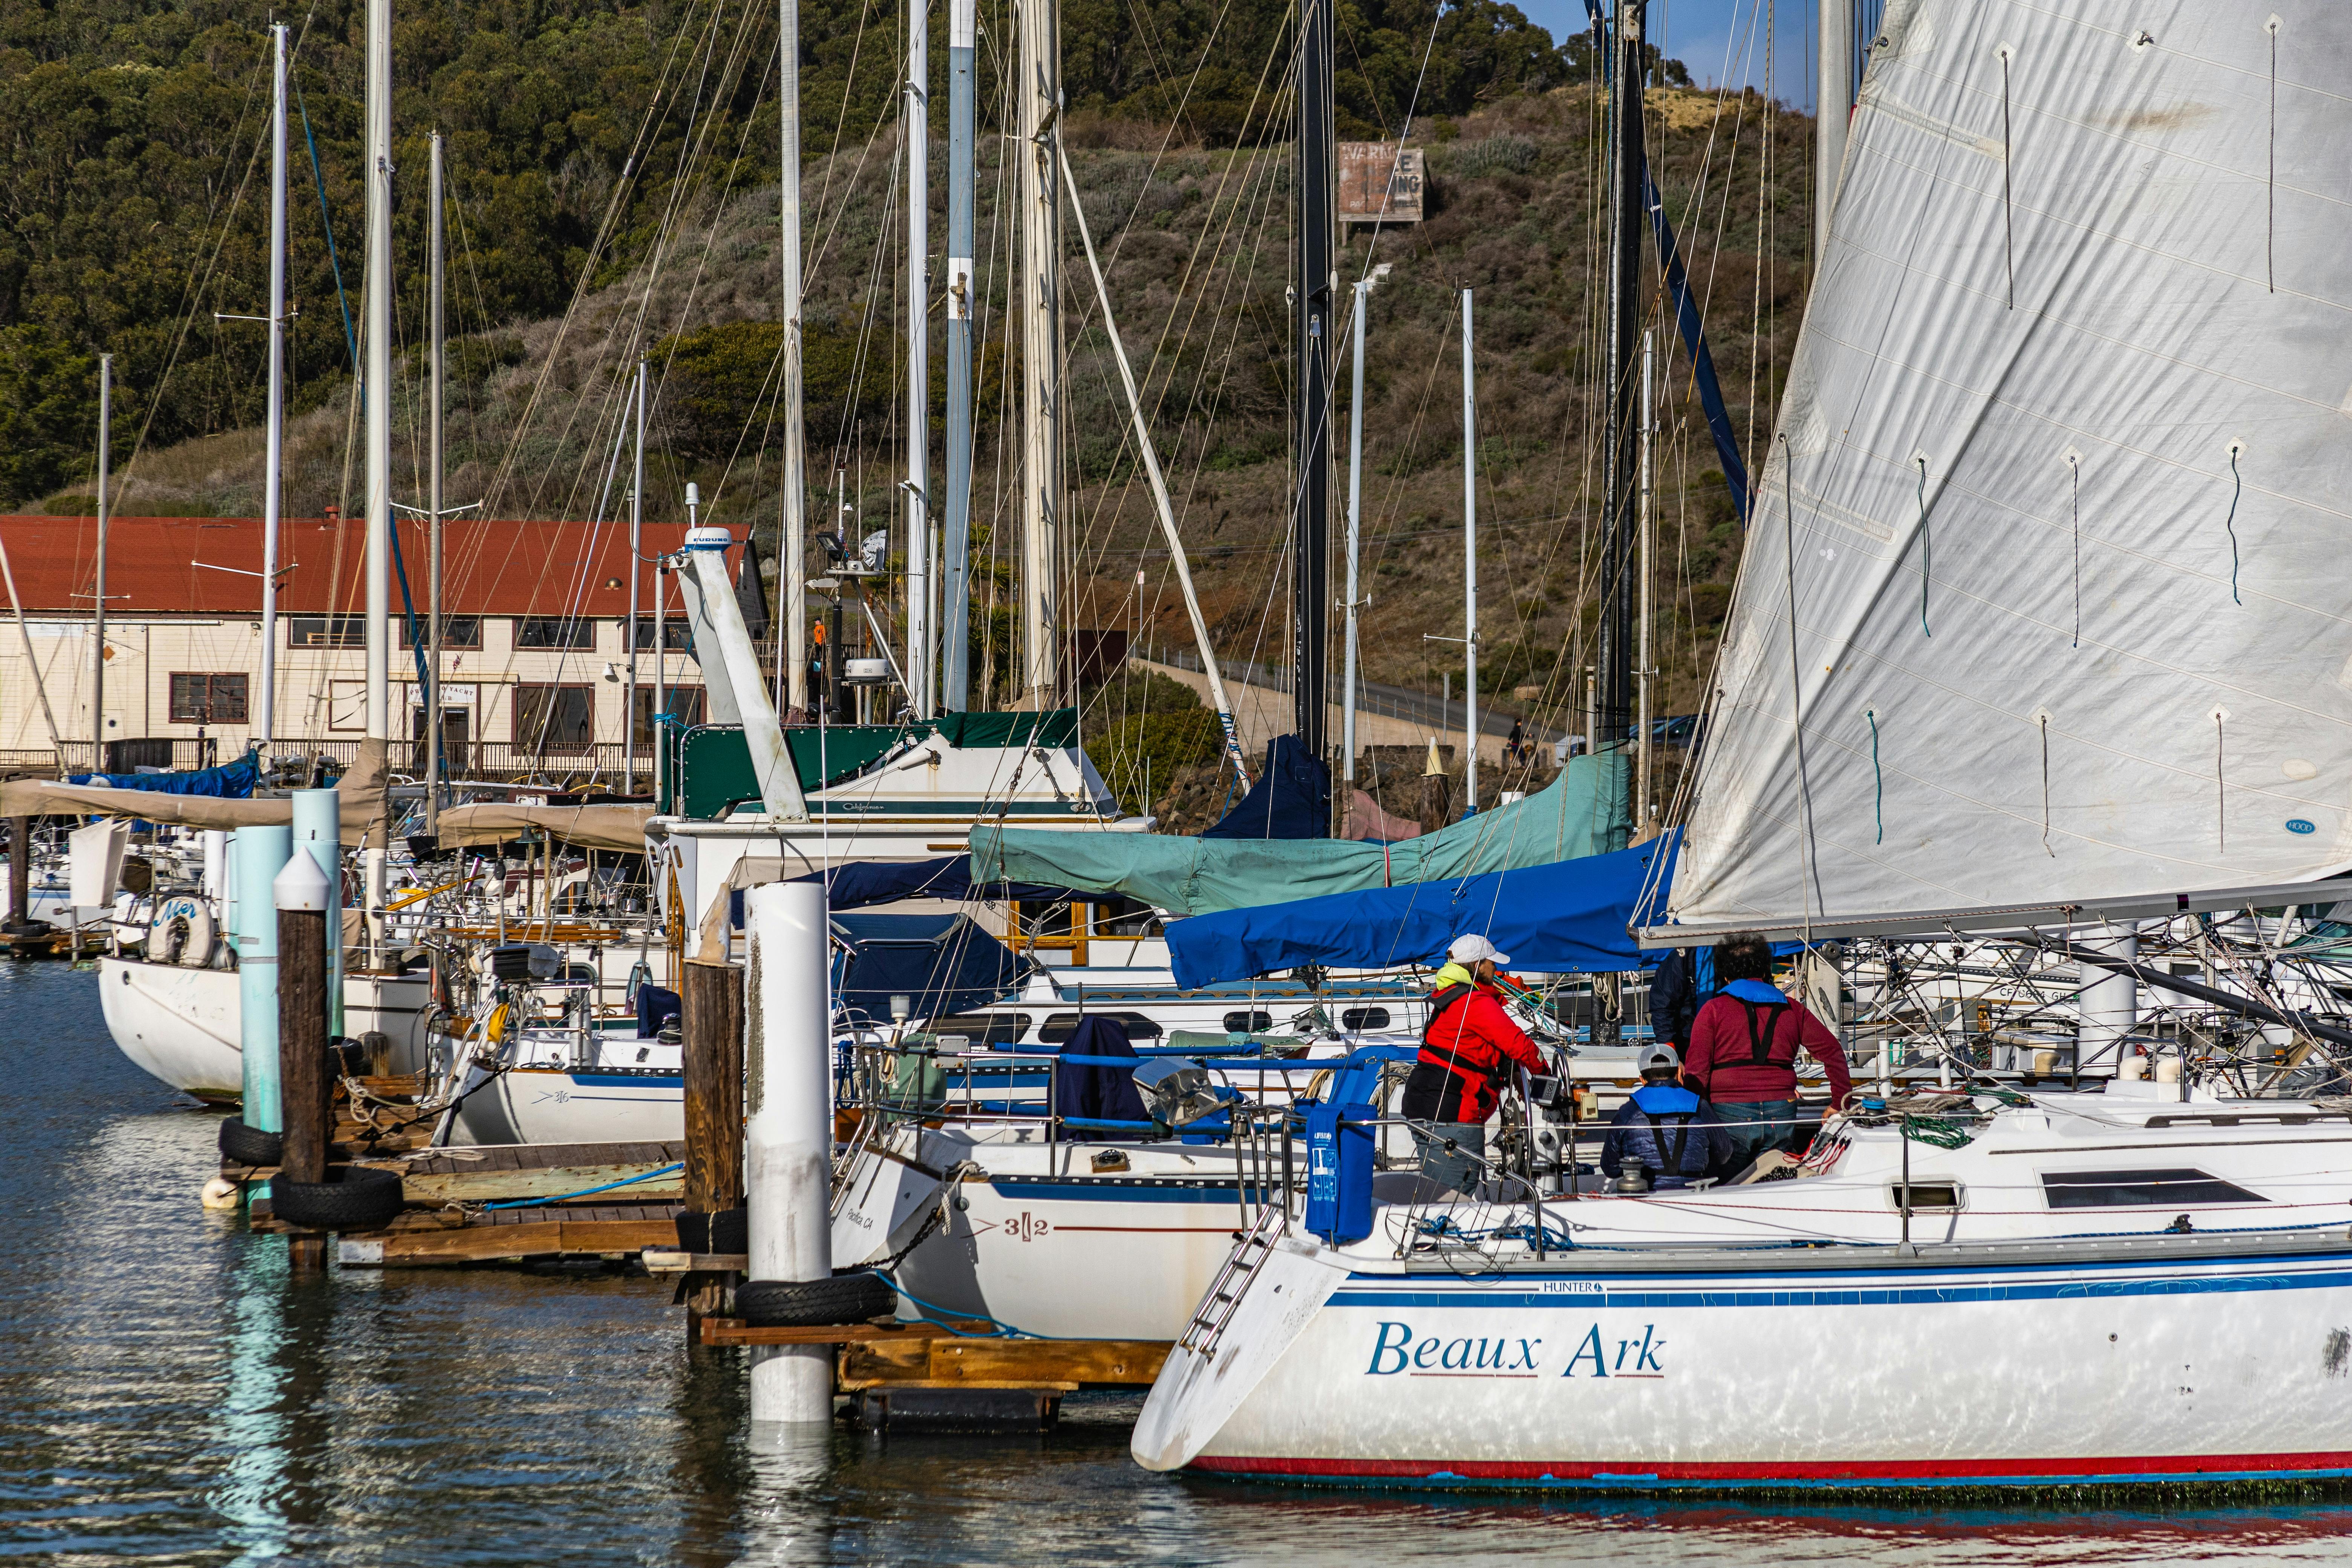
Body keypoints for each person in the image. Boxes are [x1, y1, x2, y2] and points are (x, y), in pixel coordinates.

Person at [1681, 932, 1851, 1171]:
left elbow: (1697, 1073)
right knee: (1776, 1180)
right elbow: (1833, 1052)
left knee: (1731, 1185)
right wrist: (1840, 1101)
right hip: (1781, 1109)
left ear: (1725, 974)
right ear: (1764, 971)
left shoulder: (1713, 1010)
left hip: (1729, 1109)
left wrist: (1692, 1116)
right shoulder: (1792, 1009)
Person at [1400, 933, 1549, 1194]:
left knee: (1435, 1194)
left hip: (1422, 1106)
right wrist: (1547, 1078)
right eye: (1492, 963)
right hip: (1453, 1113)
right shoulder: (1475, 1002)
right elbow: (1520, 1045)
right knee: (1454, 1197)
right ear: (1478, 966)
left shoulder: (1450, 997)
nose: (1497, 969)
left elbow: (1474, 1047)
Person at [1600, 1044, 1726, 1189]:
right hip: (1694, 1193)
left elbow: (1610, 1168)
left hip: (1646, 1193)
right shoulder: (1700, 1106)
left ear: (1642, 1080)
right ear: (1677, 1074)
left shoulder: (1627, 1113)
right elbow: (1724, 1155)